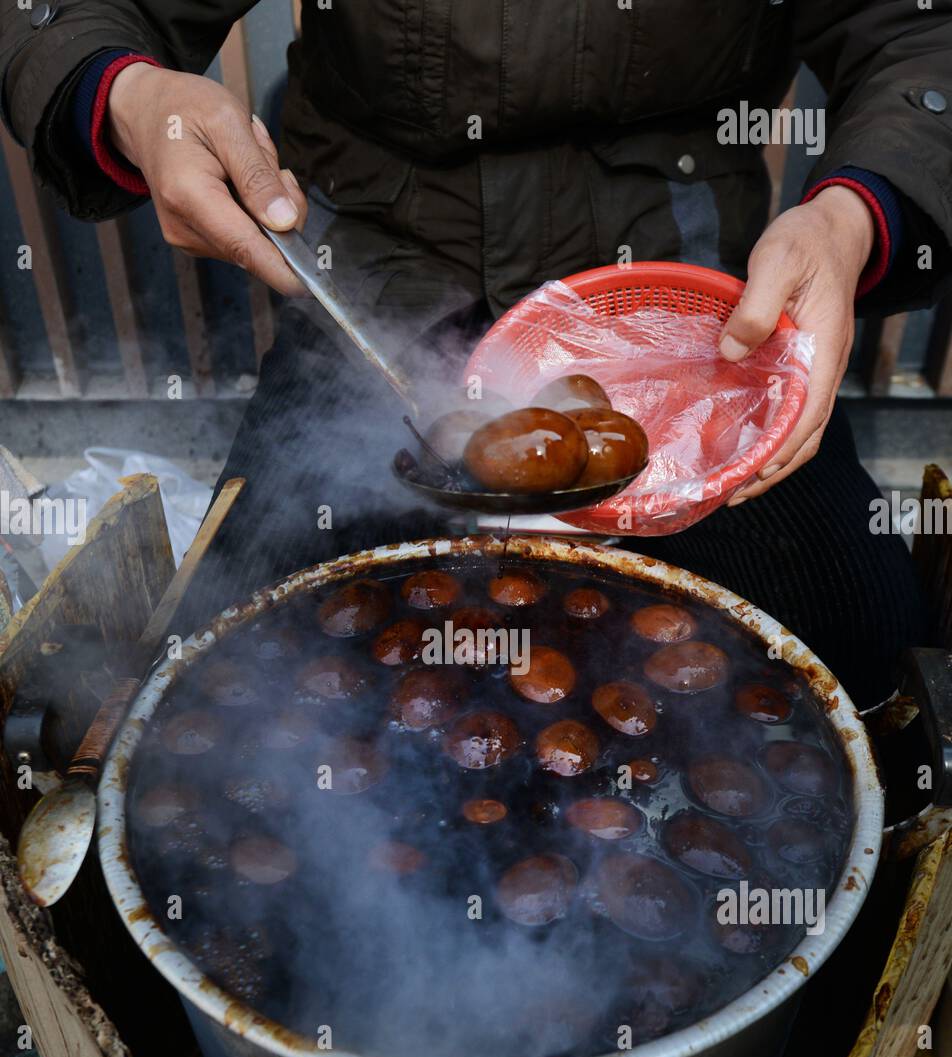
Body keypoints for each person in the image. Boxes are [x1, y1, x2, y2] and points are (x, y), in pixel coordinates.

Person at [2, 1, 948, 707]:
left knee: (853, 656)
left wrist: (855, 215)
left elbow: (917, 31)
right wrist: (133, 94)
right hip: (375, 305)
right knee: (250, 675)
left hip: (693, 320)